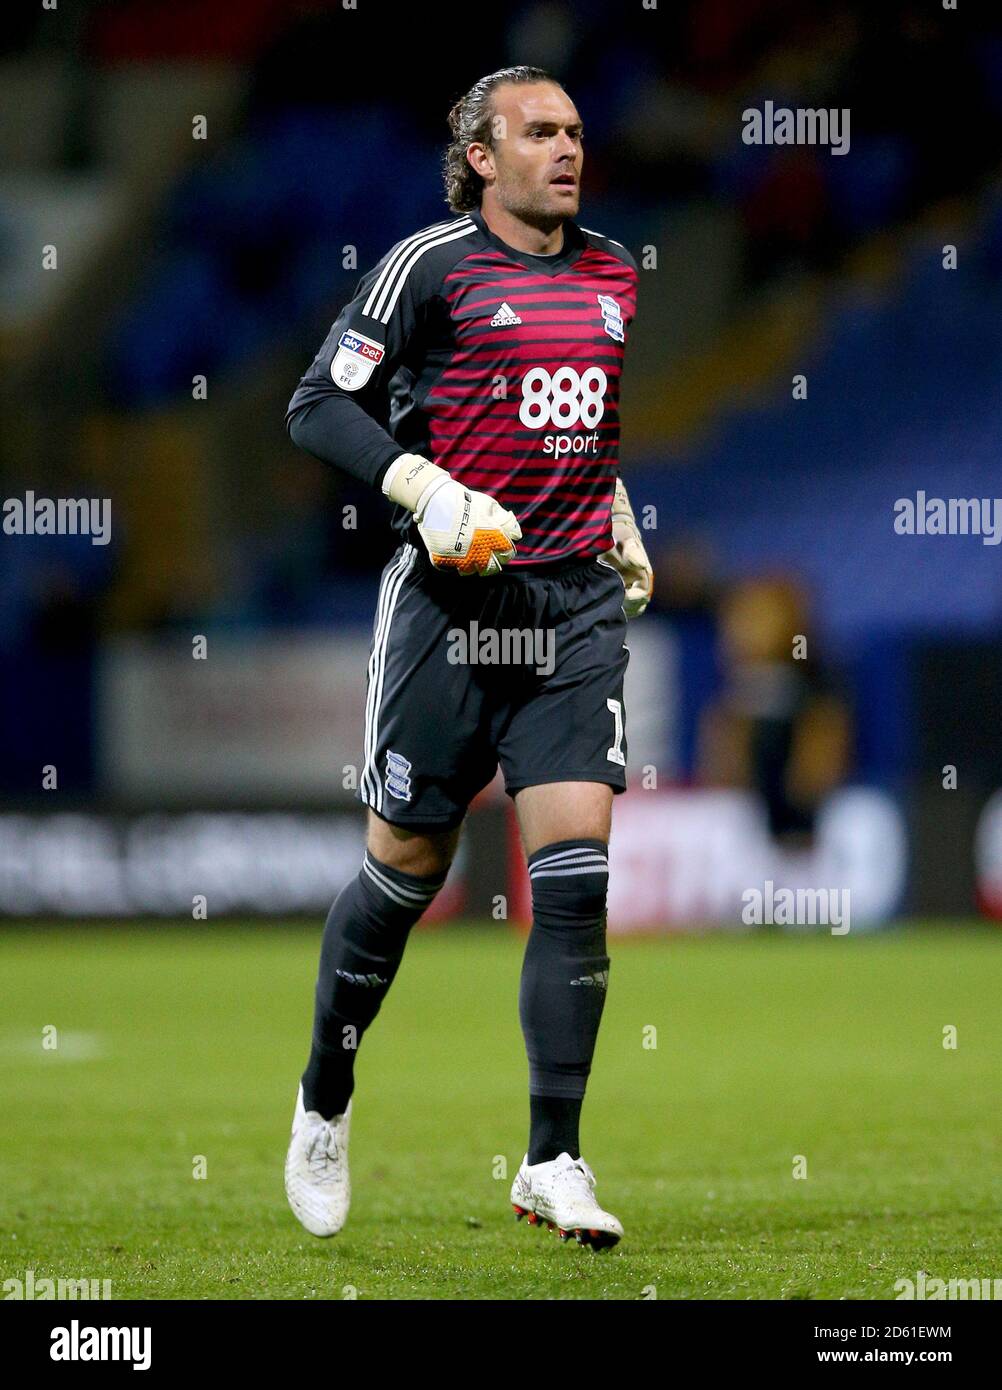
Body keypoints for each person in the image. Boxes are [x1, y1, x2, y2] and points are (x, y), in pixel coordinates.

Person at [283, 65, 652, 1249]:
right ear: (482, 158)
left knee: (577, 879)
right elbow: (315, 406)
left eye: (575, 131)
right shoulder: (430, 266)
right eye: (538, 132)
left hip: (572, 611)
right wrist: (424, 485)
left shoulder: (614, 273)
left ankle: (553, 1156)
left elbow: (579, 420)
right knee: (404, 875)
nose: (566, 148)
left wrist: (619, 506)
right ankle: (325, 1100)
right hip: (448, 609)